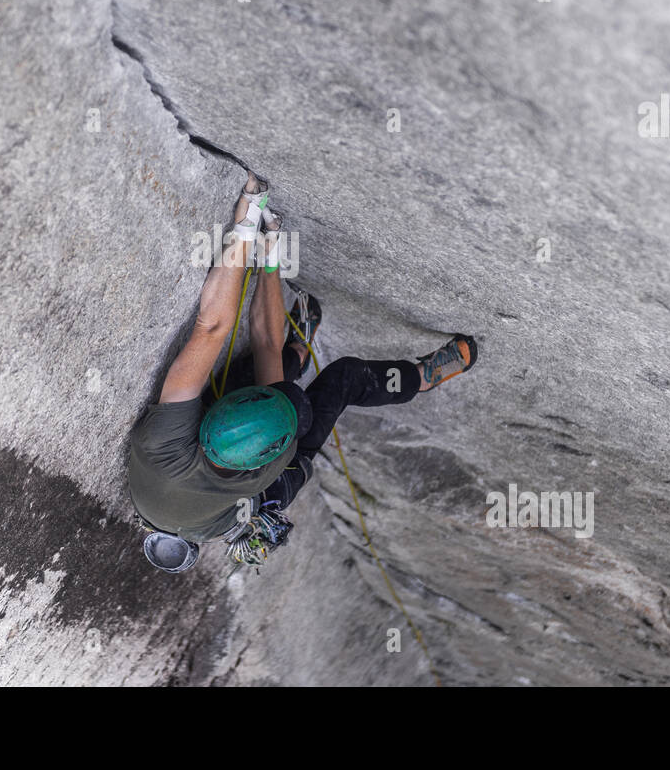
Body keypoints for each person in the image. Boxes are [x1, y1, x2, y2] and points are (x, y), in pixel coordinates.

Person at [127, 173, 477, 572]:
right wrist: (263, 244)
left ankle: (297, 350)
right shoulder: (265, 475)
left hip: (232, 443)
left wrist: (253, 233)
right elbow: (260, 345)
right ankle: (420, 377)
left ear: (216, 415)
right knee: (344, 378)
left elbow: (215, 329)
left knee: (271, 361)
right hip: (281, 459)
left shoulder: (163, 444)